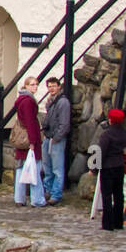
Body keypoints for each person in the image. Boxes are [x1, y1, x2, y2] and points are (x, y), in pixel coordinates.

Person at [12, 76, 46, 207]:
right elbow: (30, 122)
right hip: (29, 139)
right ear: (26, 86)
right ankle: (37, 199)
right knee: (34, 169)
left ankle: (19, 198)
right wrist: (33, 141)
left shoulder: (23, 100)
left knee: (22, 168)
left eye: (36, 84)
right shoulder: (28, 101)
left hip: (23, 138)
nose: (35, 87)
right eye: (32, 84)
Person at [98, 108, 126, 231]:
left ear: (110, 120)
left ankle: (108, 224)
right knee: (118, 195)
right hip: (119, 165)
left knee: (107, 196)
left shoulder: (106, 134)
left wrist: (94, 168)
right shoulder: (123, 133)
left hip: (108, 166)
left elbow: (101, 152)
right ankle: (118, 222)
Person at [42, 77, 71, 205]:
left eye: (54, 86)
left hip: (56, 139)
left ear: (59, 86)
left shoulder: (63, 102)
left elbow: (64, 124)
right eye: (49, 86)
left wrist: (57, 137)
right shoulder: (51, 101)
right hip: (48, 137)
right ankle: (48, 191)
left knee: (57, 169)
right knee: (47, 168)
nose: (51, 89)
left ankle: (56, 194)